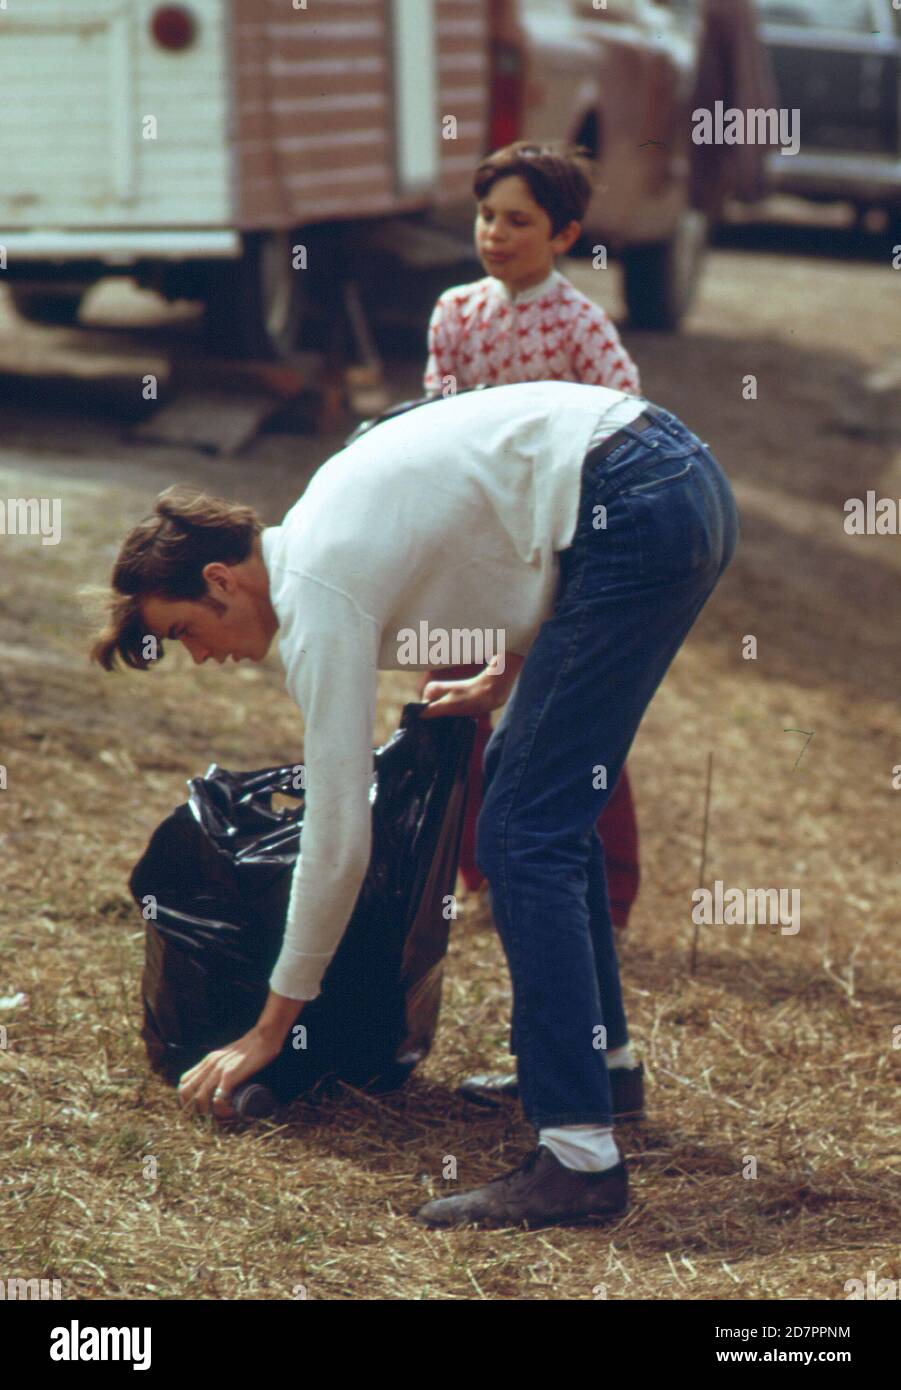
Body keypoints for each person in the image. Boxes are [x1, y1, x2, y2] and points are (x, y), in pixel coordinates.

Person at [90, 380, 739, 1230]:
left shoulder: (319, 594)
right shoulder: (321, 537)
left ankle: (579, 1158)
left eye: (182, 632)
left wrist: (270, 1028)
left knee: (517, 832)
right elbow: (514, 540)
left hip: (638, 496)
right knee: (529, 792)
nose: (198, 654)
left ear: (220, 579)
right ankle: (603, 1069)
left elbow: (336, 839)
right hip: (663, 482)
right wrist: (504, 674)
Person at [422, 141, 643, 933]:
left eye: (519, 220)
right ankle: (467, 874)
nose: (496, 233)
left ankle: (608, 895)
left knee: (563, 713)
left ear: (563, 234)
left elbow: (623, 422)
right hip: (473, 541)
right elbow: (433, 426)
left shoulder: (580, 323)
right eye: (486, 216)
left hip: (556, 546)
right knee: (450, 699)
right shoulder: (455, 312)